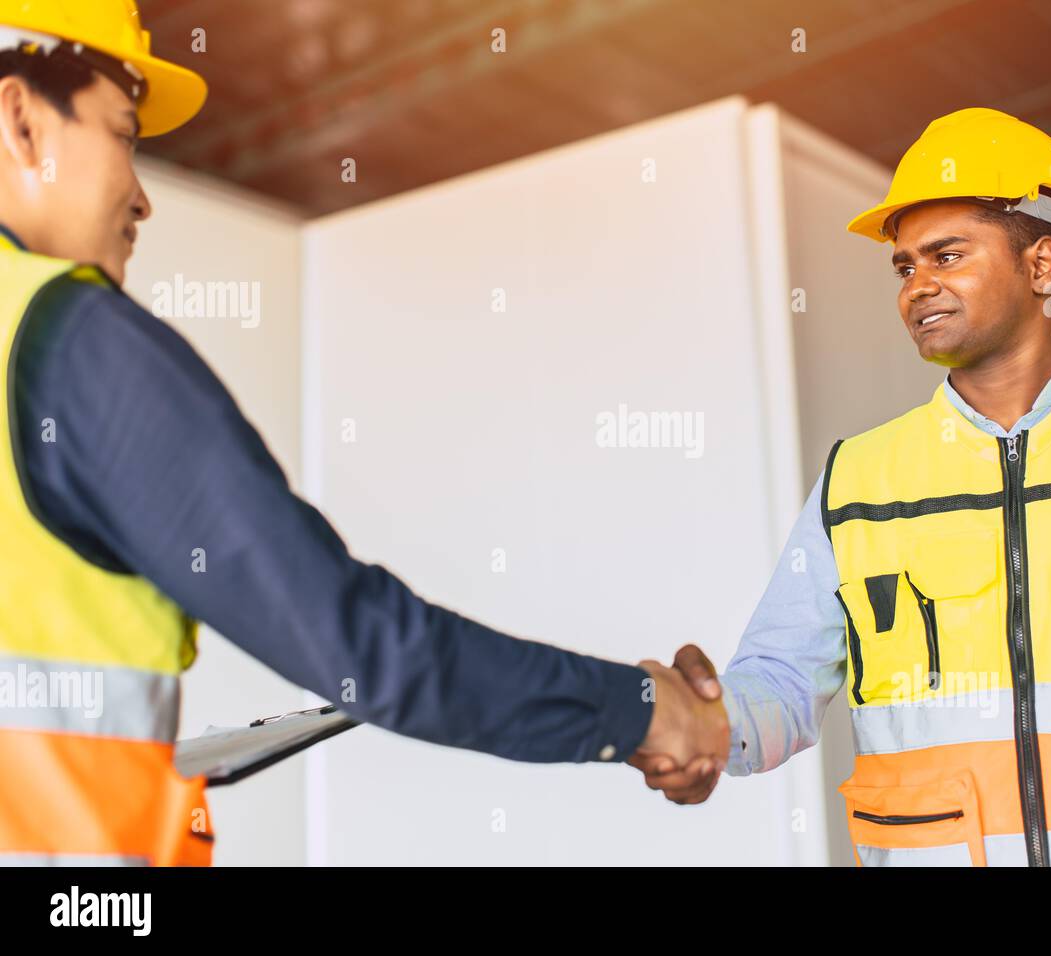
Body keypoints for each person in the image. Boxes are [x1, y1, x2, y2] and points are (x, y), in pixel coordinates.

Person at [0, 0, 726, 866]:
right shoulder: (73, 338)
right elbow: (362, 648)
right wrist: (639, 711)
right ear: (19, 120)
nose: (142, 196)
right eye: (125, 134)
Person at [633, 107, 1051, 867]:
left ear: (1043, 265)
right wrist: (704, 727)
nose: (919, 286)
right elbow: (783, 679)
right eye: (905, 266)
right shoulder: (858, 479)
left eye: (947, 256)